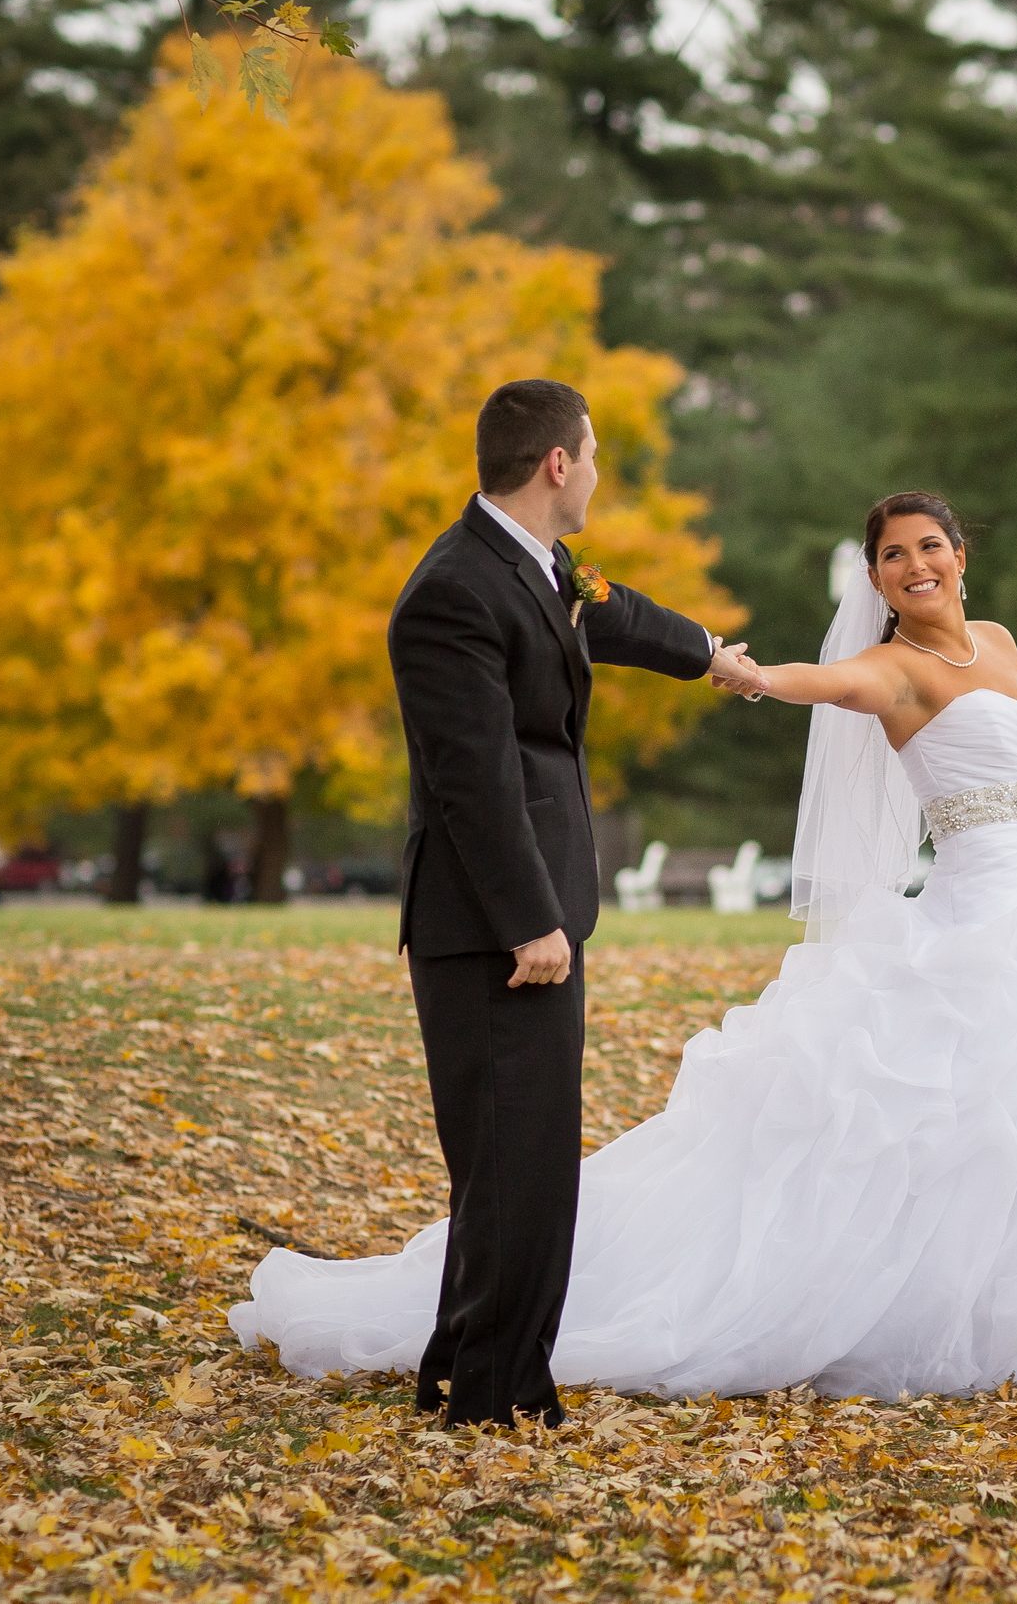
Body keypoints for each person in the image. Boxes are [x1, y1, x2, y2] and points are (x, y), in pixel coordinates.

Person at [232, 489, 1017, 1404]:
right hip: (976, 923)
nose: (914, 566)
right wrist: (737, 669)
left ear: (961, 556)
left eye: (928, 547)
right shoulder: (892, 670)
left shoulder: (1006, 644)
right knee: (969, 1132)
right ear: (875, 580)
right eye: (892, 556)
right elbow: (809, 682)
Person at [314, 377, 764, 1431]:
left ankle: (468, 1368)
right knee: (513, 1164)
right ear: (558, 463)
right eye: (593, 455)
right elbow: (471, 780)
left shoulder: (537, 563)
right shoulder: (453, 593)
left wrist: (710, 657)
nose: (598, 473)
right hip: (494, 928)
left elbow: (613, 612)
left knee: (521, 1161)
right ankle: (495, 1396)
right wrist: (529, 921)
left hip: (537, 912)